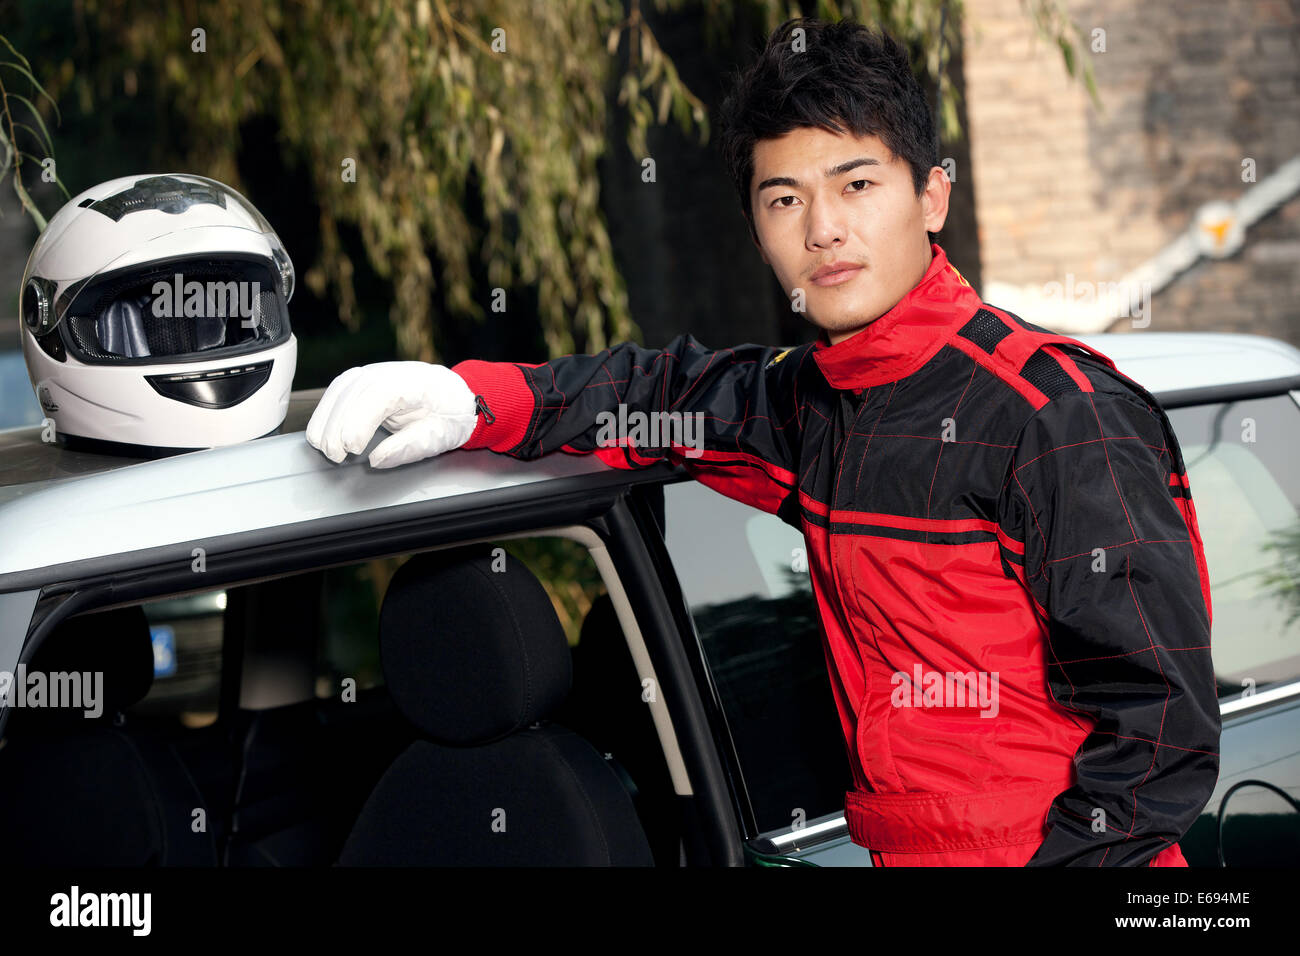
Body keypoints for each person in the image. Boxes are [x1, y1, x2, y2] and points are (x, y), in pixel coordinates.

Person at [306, 17, 1220, 866]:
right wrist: (475, 400)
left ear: (932, 194)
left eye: (857, 185)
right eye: (784, 199)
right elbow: (662, 395)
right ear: (758, 227)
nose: (823, 229)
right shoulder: (813, 403)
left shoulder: (1057, 415)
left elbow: (1159, 729)